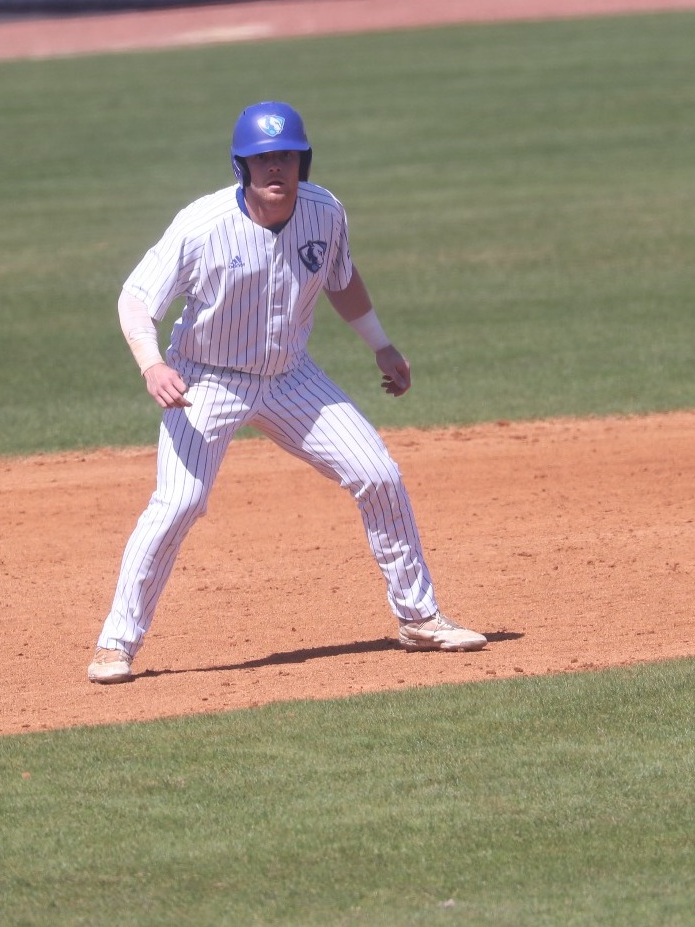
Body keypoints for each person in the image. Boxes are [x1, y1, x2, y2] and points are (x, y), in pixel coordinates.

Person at [88, 101, 486, 684]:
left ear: (304, 161)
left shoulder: (325, 212)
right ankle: (115, 644)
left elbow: (340, 278)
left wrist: (381, 345)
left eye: (287, 157)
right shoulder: (201, 225)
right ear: (242, 166)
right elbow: (136, 298)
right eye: (263, 159)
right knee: (178, 503)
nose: (276, 168)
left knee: (378, 474)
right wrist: (152, 365)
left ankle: (419, 618)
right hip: (205, 381)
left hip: (290, 377)